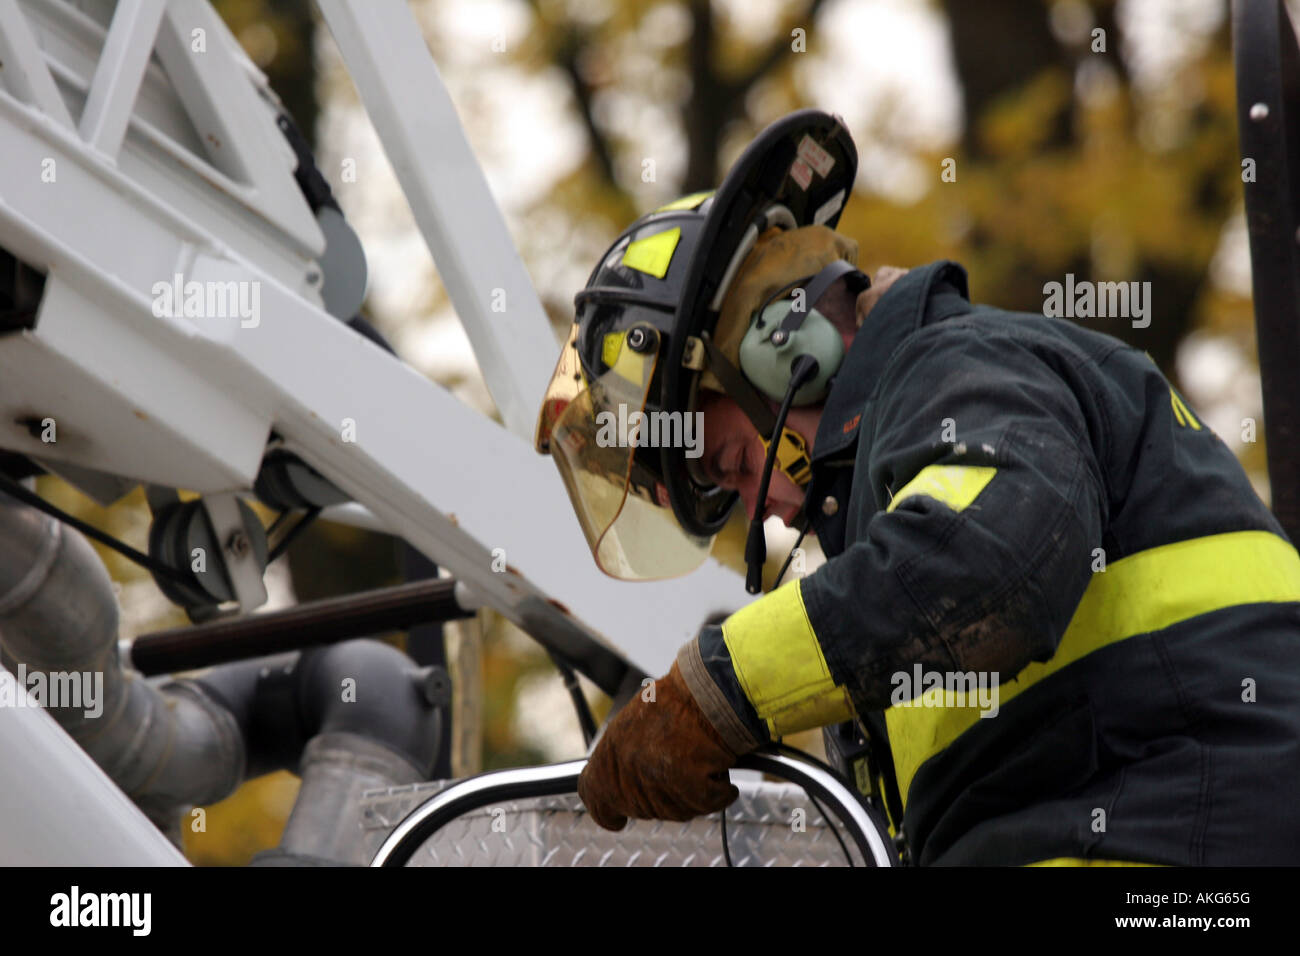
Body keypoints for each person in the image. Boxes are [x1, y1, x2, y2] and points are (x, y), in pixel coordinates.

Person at [534, 109, 1300, 865]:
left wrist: (720, 688)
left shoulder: (957, 366)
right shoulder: (888, 525)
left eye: (734, 463)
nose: (768, 505)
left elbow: (989, 560)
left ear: (781, 347)